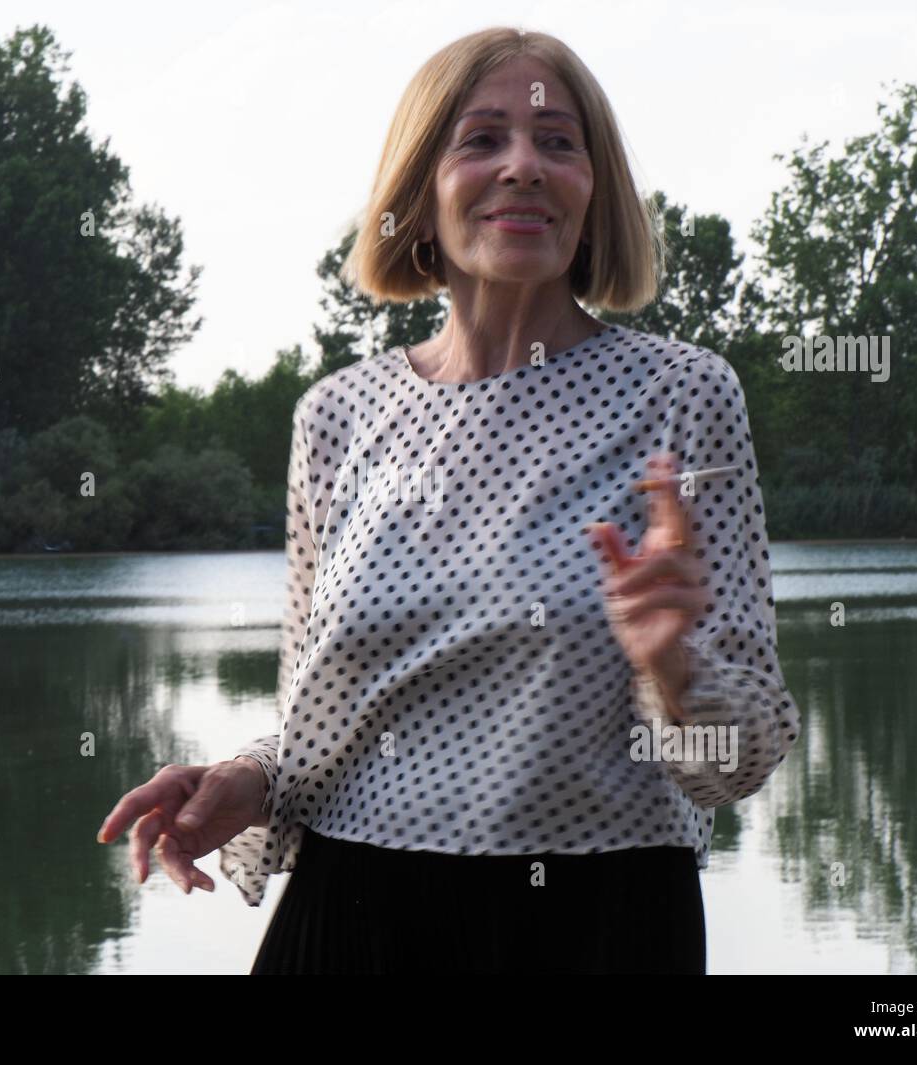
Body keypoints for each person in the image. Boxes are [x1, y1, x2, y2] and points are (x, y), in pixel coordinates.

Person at [97, 25, 801, 974]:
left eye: (558, 142)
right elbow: (319, 720)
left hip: (595, 924)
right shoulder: (336, 416)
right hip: (348, 921)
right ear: (420, 195)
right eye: (482, 138)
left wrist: (669, 664)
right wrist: (249, 780)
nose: (523, 166)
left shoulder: (684, 395)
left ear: (595, 198)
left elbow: (737, 761)